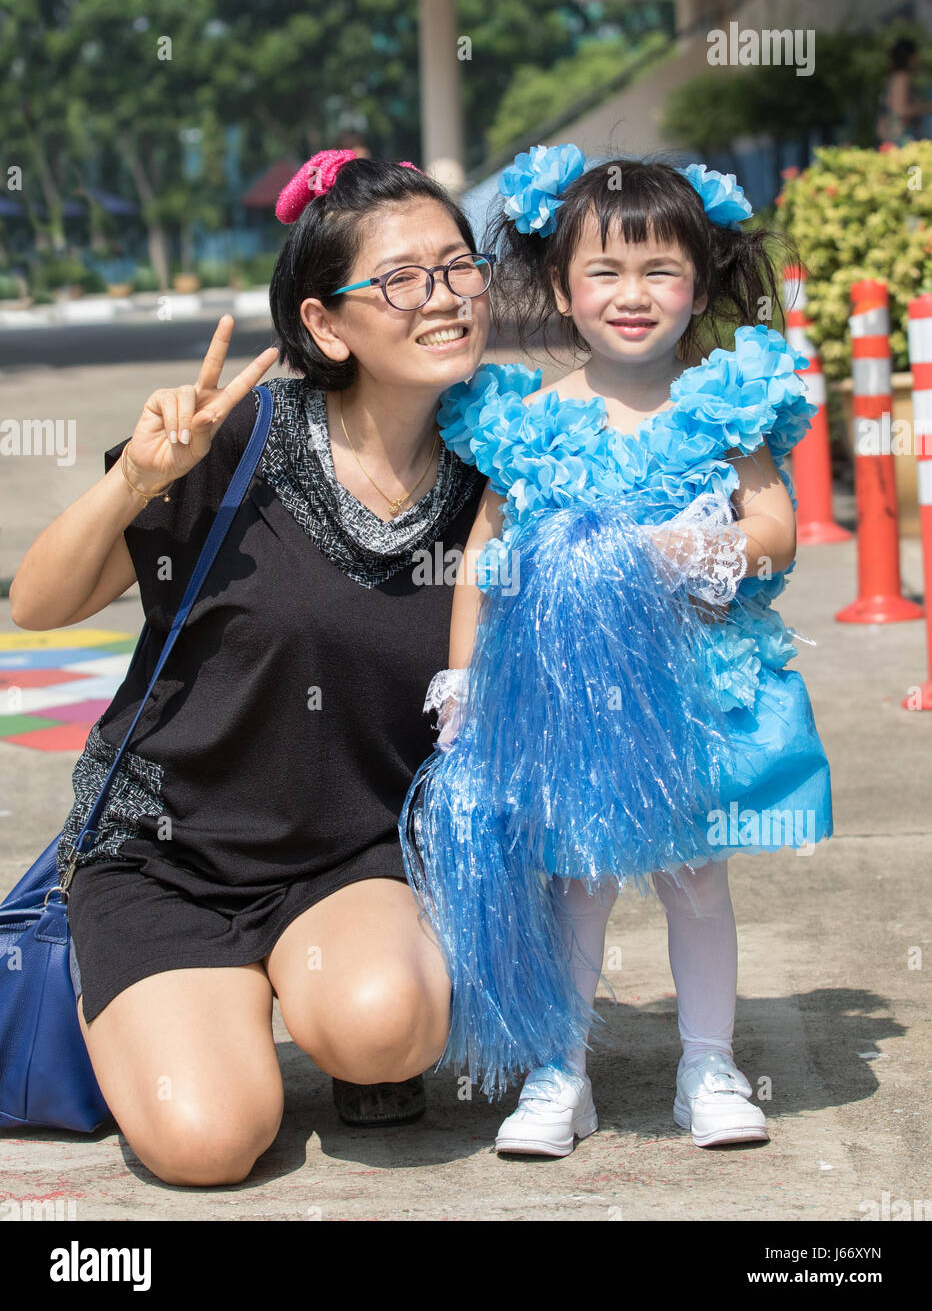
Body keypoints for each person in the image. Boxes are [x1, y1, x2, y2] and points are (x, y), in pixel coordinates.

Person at [9, 149, 497, 1185]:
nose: (445, 298)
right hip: (167, 853)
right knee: (208, 1144)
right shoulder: (234, 444)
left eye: (458, 267)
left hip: (352, 855)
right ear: (325, 324)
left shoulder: (495, 473)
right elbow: (36, 606)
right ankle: (199, 1006)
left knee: (386, 1029)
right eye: (403, 280)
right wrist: (137, 481)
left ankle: (334, 1008)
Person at [401, 145, 833, 1157]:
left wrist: (681, 547)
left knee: (692, 877)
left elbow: (774, 533)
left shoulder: (724, 404)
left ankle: (707, 1062)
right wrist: (463, 680)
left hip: (686, 686)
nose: (630, 295)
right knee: (574, 878)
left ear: (699, 277)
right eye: (603, 270)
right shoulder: (530, 419)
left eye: (658, 269)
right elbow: (482, 559)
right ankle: (560, 1070)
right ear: (560, 284)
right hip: (562, 693)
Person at [877, 37, 931, 146]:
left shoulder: (894, 77)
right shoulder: (901, 78)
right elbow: (900, 110)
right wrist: (924, 107)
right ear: (910, 57)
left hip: (891, 137)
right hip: (899, 138)